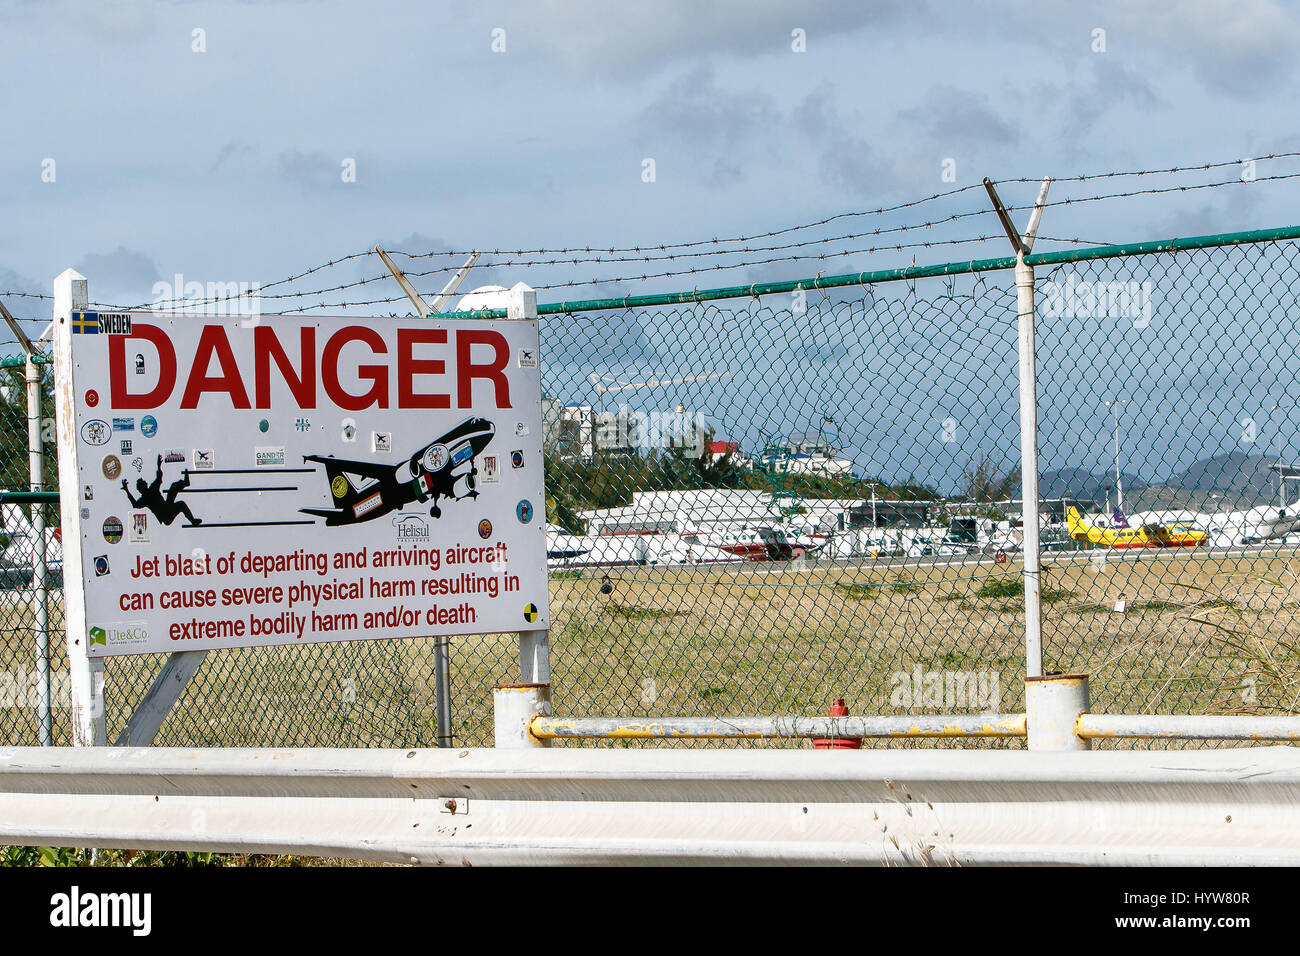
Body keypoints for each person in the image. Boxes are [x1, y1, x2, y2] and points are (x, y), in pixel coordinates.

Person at [123, 455, 202, 526]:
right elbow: (135, 505)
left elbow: (159, 477)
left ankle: (185, 483)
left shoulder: (149, 492)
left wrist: (127, 490)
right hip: (166, 516)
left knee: (173, 487)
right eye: (144, 482)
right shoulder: (148, 494)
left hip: (166, 507)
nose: (145, 482)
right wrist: (158, 467)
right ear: (143, 486)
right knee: (181, 503)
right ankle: (193, 521)